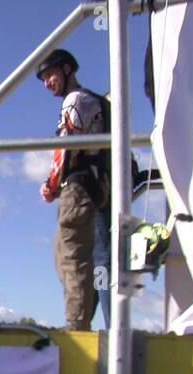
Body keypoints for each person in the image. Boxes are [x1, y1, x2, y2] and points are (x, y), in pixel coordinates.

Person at [37, 49, 112, 331]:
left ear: (67, 69)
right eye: (44, 79)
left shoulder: (75, 99)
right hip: (89, 185)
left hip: (78, 187)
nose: (47, 83)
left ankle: (77, 329)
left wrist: (51, 185)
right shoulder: (92, 99)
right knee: (65, 255)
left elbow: (66, 146)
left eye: (50, 75)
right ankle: (82, 319)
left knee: (72, 258)